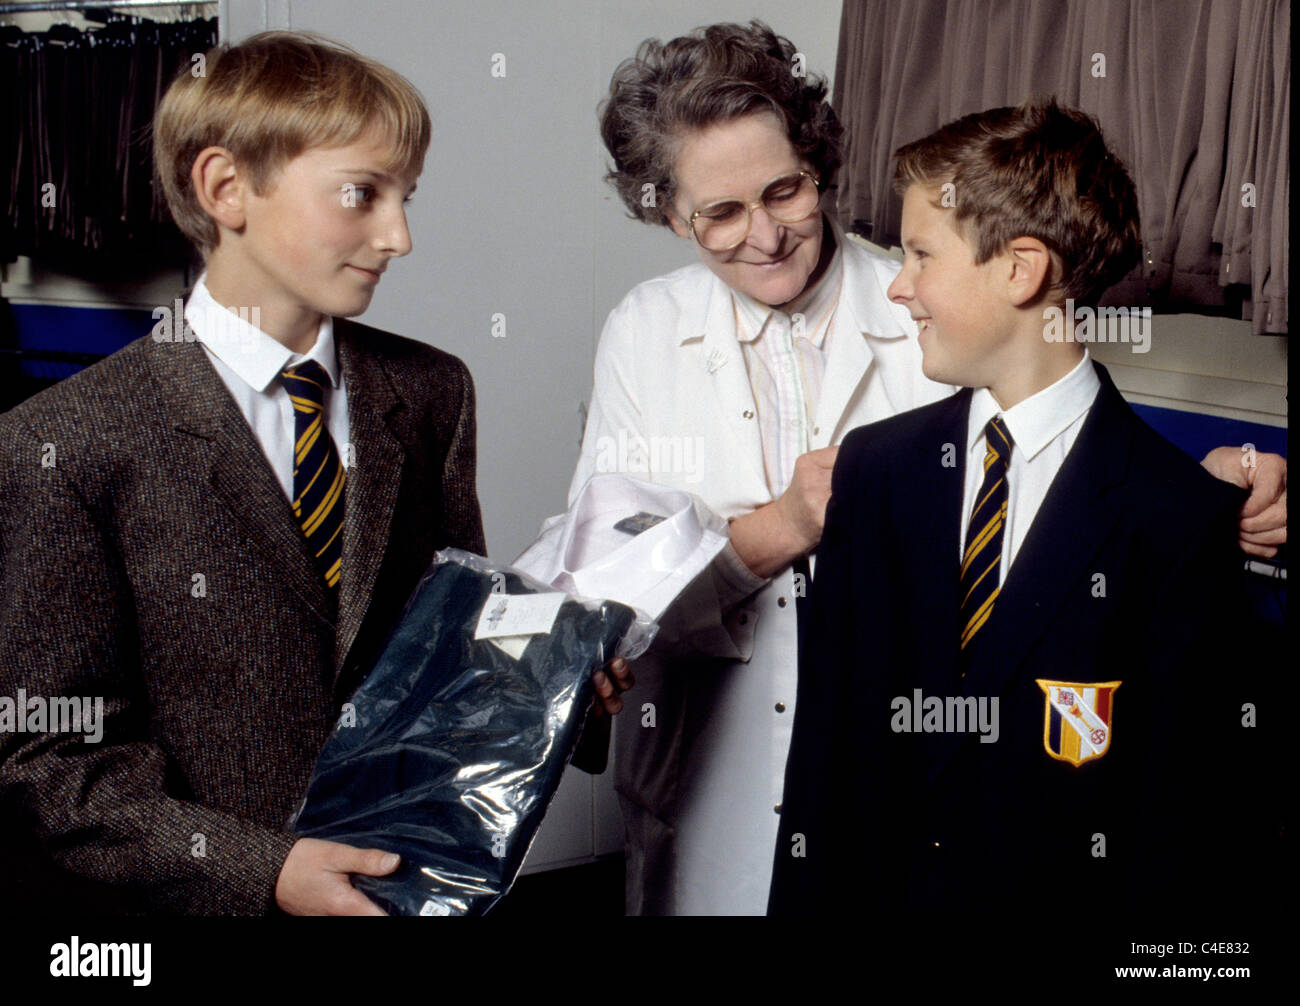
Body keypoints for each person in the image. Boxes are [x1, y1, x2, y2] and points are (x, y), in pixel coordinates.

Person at [573, 21, 1286, 916]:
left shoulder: (936, 308)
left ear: (819, 166)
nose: (764, 235)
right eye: (718, 214)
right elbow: (603, 591)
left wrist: (1207, 484)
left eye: (784, 191)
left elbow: (1059, 451)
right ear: (670, 216)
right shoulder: (644, 333)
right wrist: (782, 528)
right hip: (716, 779)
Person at [0, 31, 630, 917]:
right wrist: (264, 871)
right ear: (226, 189)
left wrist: (551, 680)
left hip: (411, 893)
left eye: (405, 198)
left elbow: (445, 665)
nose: (399, 236)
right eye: (361, 195)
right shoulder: (68, 443)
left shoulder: (429, 390)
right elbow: (52, 758)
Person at [768, 99, 1269, 922]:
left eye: (920, 254)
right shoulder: (875, 470)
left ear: (1020, 270)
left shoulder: (1175, 517)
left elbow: (1184, 827)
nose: (898, 287)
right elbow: (826, 757)